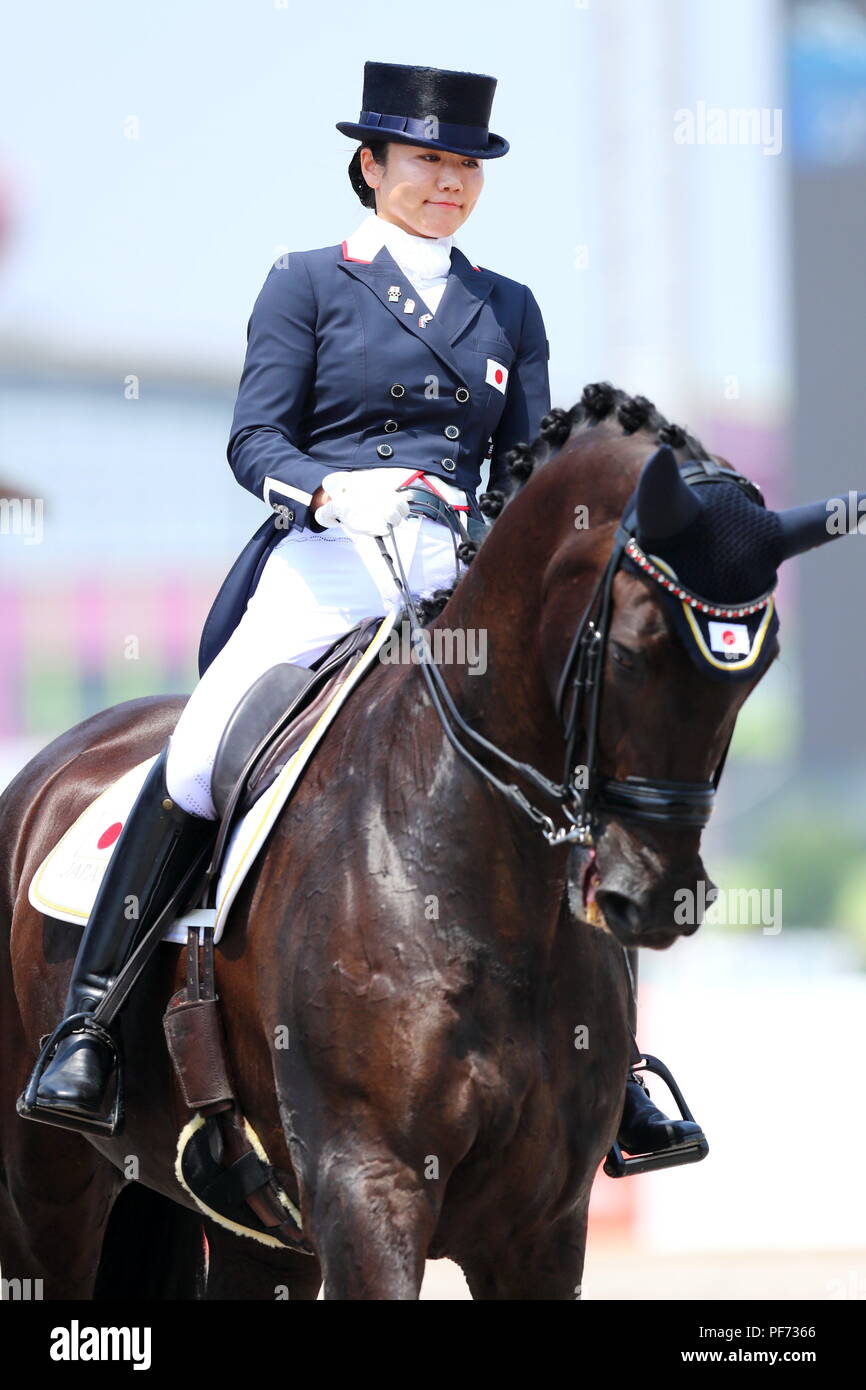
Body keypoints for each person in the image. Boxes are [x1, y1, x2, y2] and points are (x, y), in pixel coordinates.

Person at [21, 61, 702, 1160]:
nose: (448, 183)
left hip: (453, 578)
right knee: (197, 754)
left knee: (566, 778)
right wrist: (336, 489)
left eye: (465, 165)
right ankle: (90, 1024)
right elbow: (255, 441)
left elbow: (525, 467)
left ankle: (616, 1071)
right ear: (370, 164)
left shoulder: (506, 308)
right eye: (428, 161)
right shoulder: (305, 283)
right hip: (326, 562)